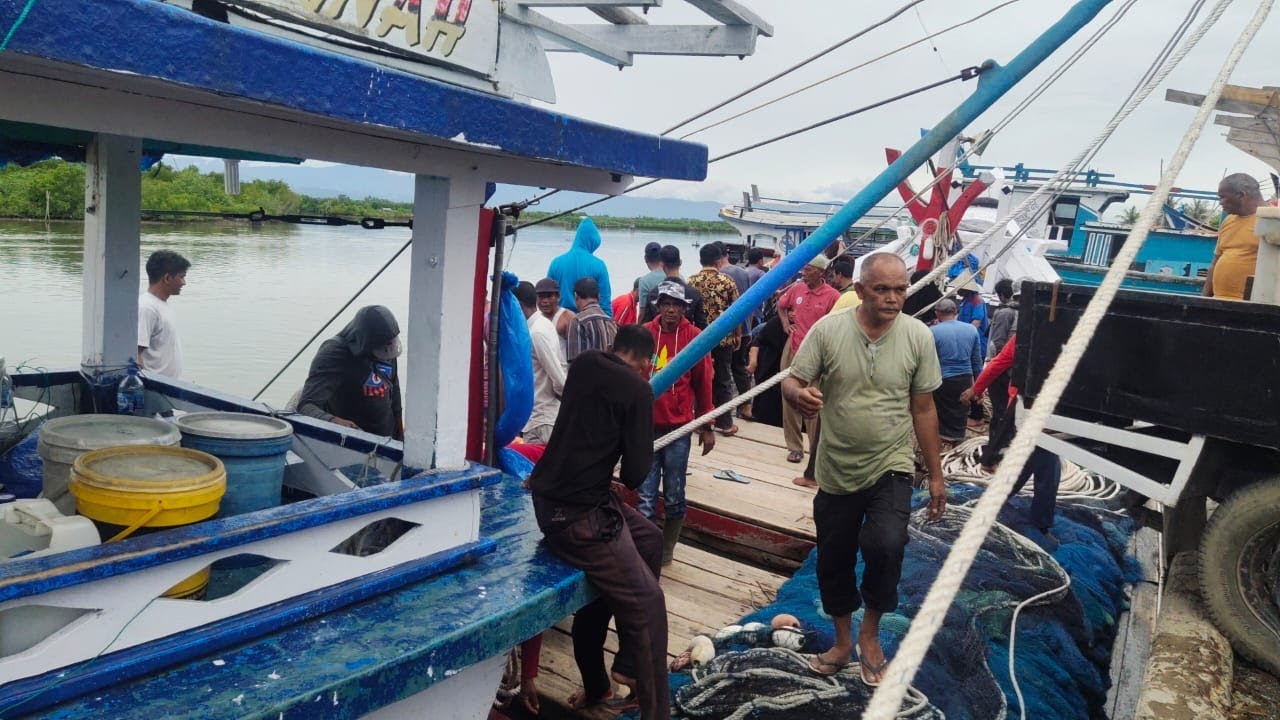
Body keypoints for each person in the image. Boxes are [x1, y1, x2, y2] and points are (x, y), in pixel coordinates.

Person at [782, 253, 945, 686]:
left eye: (900, 289)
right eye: (882, 289)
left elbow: (924, 408)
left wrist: (936, 475)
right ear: (860, 290)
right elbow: (792, 379)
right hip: (835, 467)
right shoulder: (829, 331)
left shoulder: (917, 337)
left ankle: (869, 634)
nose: (893, 299)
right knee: (833, 557)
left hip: (890, 463)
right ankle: (841, 641)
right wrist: (799, 395)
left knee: (887, 543)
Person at [526, 325, 669, 719]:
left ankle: (620, 667)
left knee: (650, 539)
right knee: (648, 603)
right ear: (644, 363)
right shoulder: (639, 390)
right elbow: (637, 475)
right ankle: (656, 710)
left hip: (560, 499)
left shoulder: (585, 365)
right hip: (576, 516)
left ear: (612, 347)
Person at [962, 334, 1061, 549]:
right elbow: (997, 364)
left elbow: (997, 363)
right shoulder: (1026, 336)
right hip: (1030, 413)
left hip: (1036, 413)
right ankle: (1041, 525)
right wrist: (975, 389)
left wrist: (976, 389)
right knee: (1048, 467)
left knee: (1026, 461)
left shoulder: (1027, 334)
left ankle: (996, 498)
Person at [642, 281, 716, 565]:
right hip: (647, 428)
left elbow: (703, 385)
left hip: (679, 428)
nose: (671, 309)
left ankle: (667, 551)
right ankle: (645, 552)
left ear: (685, 308)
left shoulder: (695, 337)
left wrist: (707, 426)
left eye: (676, 304)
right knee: (646, 496)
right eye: (665, 303)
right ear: (658, 306)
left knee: (674, 494)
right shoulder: (646, 334)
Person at [298, 305, 404, 438]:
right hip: (353, 443)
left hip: (387, 441)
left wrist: (400, 434)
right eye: (381, 349)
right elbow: (306, 406)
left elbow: (395, 392)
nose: (387, 353)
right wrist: (335, 422)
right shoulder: (334, 355)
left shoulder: (387, 348)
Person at [777, 255, 839, 465]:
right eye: (804, 268)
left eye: (809, 269)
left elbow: (837, 324)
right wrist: (786, 324)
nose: (804, 272)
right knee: (789, 396)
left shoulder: (833, 296)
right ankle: (794, 447)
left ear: (821, 272)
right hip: (794, 347)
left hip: (817, 353)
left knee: (814, 399)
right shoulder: (796, 289)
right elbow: (781, 305)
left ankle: (815, 449)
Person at [687, 243, 740, 436]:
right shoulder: (727, 281)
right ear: (718, 261)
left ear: (701, 261)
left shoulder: (690, 282)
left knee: (698, 380)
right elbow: (736, 312)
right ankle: (725, 423)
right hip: (722, 339)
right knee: (723, 380)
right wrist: (737, 335)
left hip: (698, 340)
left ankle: (698, 422)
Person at [515, 281, 567, 445]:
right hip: (540, 416)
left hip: (541, 419)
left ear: (519, 306)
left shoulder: (536, 332)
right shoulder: (544, 324)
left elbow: (558, 378)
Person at [930, 298, 983, 446]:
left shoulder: (932, 332)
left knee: (942, 414)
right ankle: (958, 445)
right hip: (965, 378)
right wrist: (979, 387)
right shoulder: (971, 330)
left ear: (937, 313)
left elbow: (927, 361)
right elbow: (977, 362)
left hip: (942, 379)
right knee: (960, 412)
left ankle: (942, 448)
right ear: (955, 312)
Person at [1204, 173, 1265, 300]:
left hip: (1254, 306)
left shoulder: (1271, 222)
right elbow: (1215, 262)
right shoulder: (1228, 221)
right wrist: (1203, 299)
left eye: (1222, 197)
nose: (1220, 203)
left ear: (1241, 195)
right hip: (1219, 301)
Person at [714, 242, 756, 418]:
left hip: (729, 331)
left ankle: (721, 411)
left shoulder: (720, 276)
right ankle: (746, 406)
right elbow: (751, 300)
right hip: (745, 327)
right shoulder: (743, 272)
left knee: (722, 371)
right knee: (739, 368)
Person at [137, 249, 190, 378]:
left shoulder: (161, 304)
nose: (184, 283)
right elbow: (135, 354)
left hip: (170, 387)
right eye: (181, 277)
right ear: (167, 278)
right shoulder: (147, 308)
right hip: (158, 388)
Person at [547, 217, 612, 316]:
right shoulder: (599, 265)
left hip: (560, 321)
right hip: (589, 321)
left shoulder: (556, 263)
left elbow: (547, 296)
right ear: (593, 242)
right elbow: (605, 302)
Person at [641, 245, 707, 327]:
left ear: (662, 265)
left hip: (660, 338)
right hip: (687, 338)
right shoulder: (694, 293)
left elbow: (646, 325)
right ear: (680, 262)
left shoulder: (653, 294)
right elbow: (701, 325)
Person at [985, 279, 1018, 430]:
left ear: (1002, 295)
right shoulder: (1025, 312)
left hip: (1002, 371)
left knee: (999, 411)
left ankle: (995, 447)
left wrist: (991, 368)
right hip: (1016, 371)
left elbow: (996, 344)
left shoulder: (1004, 313)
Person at [747, 308, 787, 428]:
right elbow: (757, 341)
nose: (792, 314)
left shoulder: (804, 325)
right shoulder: (775, 324)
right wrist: (753, 362)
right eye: (789, 310)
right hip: (769, 371)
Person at [566, 278, 618, 362]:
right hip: (611, 374)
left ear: (576, 296)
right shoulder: (611, 322)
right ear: (598, 296)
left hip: (588, 374)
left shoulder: (577, 321)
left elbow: (574, 361)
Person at [535, 277, 574, 358]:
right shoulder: (535, 318)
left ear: (558, 297)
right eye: (541, 297)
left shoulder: (567, 317)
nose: (545, 301)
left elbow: (575, 350)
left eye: (549, 296)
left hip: (563, 368)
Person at [636, 241, 666, 317]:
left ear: (645, 259)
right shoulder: (678, 277)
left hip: (652, 325)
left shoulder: (644, 281)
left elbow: (642, 311)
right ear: (662, 258)